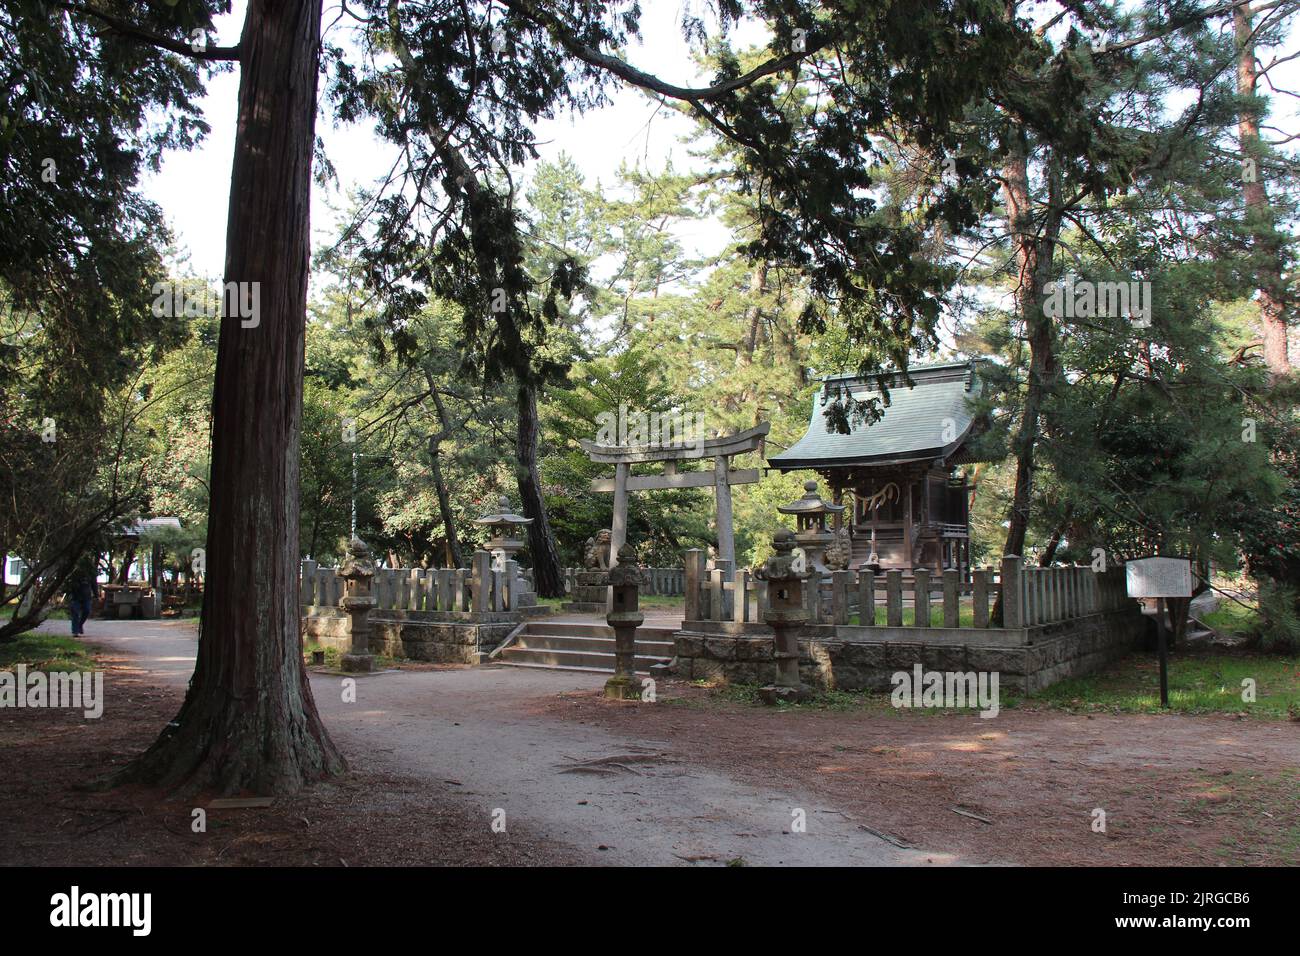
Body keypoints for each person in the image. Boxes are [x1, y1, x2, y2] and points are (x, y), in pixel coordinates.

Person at [65, 556, 97, 636]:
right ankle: (75, 631)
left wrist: (96, 595)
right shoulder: (74, 572)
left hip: (87, 596)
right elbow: (69, 583)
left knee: (87, 611)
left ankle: (80, 624)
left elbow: (94, 584)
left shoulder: (90, 573)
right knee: (75, 612)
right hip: (76, 596)